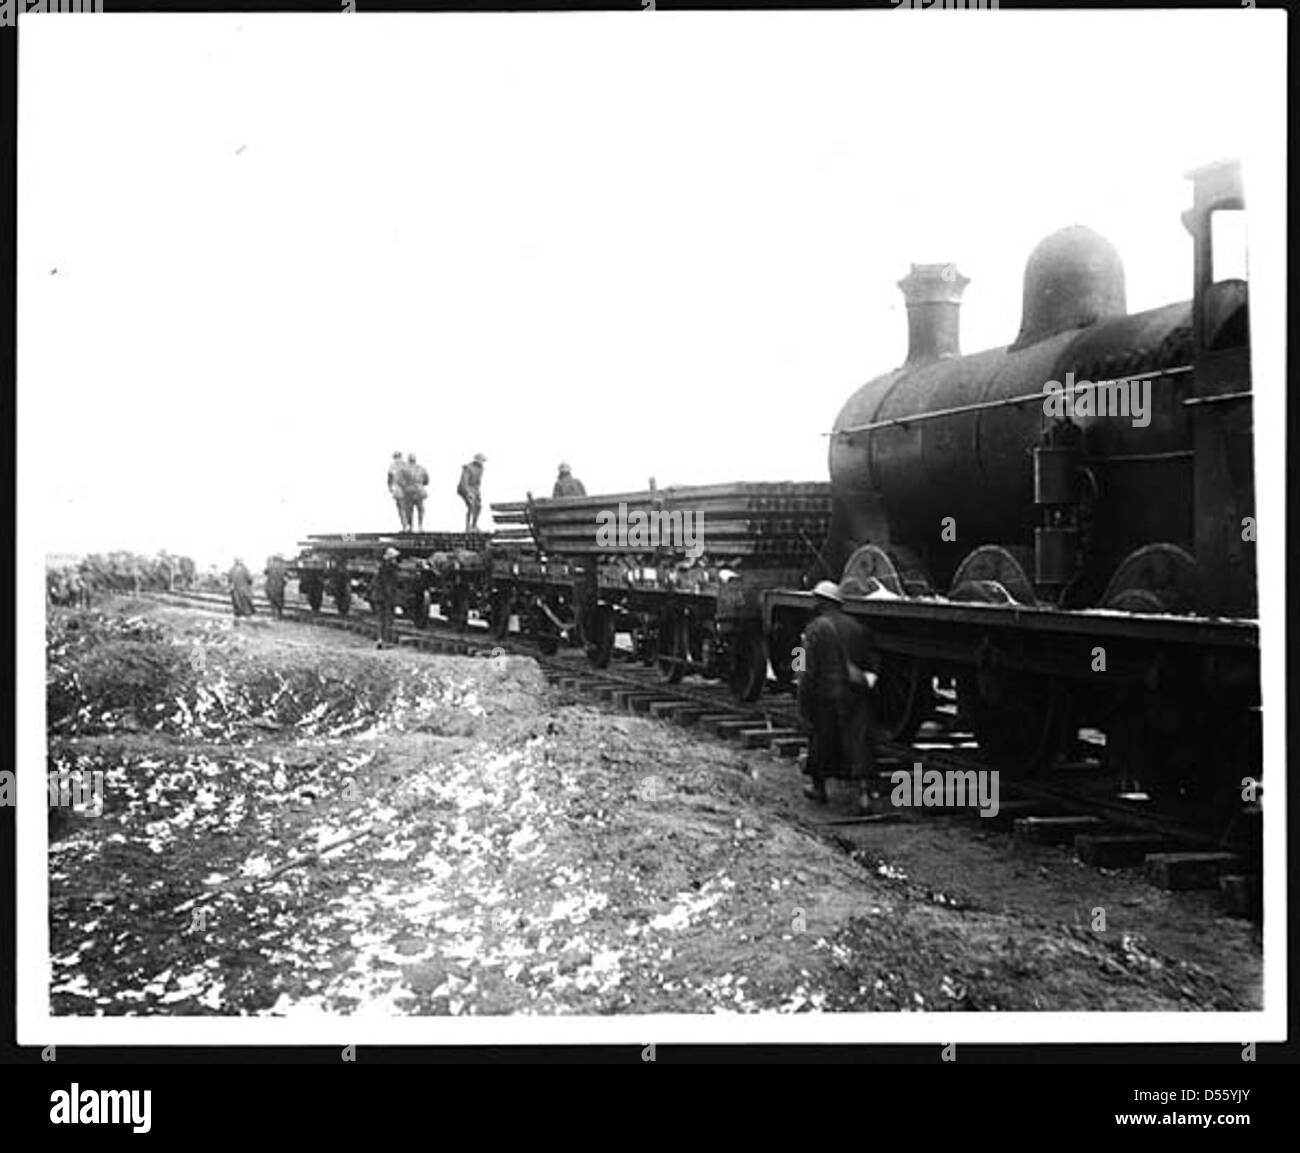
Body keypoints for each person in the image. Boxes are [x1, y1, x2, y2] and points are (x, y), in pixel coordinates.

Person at [796, 580, 879, 806]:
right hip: (855, 692)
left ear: (822, 603)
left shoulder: (814, 629)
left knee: (820, 740)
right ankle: (864, 796)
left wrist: (803, 704)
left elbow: (805, 669)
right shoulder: (857, 626)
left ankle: (819, 789)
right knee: (859, 742)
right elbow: (870, 662)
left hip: (826, 693)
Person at [373, 547, 400, 648]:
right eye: (394, 558)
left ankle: (380, 640)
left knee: (380, 619)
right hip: (386, 597)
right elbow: (388, 584)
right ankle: (386, 641)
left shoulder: (381, 567)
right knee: (388, 619)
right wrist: (391, 597)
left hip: (378, 596)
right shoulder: (391, 569)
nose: (396, 560)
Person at [458, 453, 485, 533]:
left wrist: (477, 494)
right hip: (464, 488)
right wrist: (468, 493)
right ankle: (468, 526)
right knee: (471, 505)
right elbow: (464, 482)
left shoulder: (481, 469)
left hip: (474, 489)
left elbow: (478, 483)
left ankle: (474, 525)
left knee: (479, 506)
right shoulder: (468, 468)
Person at [387, 451, 412, 532]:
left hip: (398, 488)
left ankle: (405, 526)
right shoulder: (406, 465)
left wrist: (390, 487)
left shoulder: (393, 466)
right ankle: (409, 525)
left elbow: (390, 477)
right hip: (407, 488)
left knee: (401, 508)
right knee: (408, 507)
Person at [405, 453, 430, 532]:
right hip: (419, 490)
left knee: (409, 510)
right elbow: (427, 481)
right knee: (420, 509)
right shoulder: (421, 469)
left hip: (409, 491)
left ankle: (410, 526)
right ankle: (420, 526)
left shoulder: (404, 469)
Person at [264, 555, 287, 619]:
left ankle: (274, 616)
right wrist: (284, 584)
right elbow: (287, 576)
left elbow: (265, 572)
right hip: (279, 587)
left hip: (270, 587)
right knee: (279, 602)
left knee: (272, 602)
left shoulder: (270, 566)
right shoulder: (283, 567)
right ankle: (279, 616)